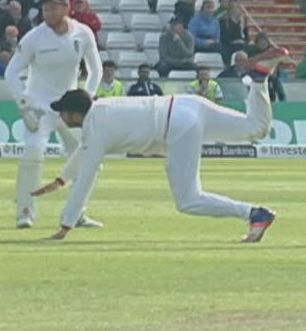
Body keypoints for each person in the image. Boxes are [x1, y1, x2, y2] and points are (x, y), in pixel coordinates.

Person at [30, 77, 277, 242]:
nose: (60, 117)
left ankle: (254, 214)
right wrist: (60, 180)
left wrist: (65, 226)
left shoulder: (95, 129)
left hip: (177, 126)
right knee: (255, 128)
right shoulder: (101, 109)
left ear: (75, 113)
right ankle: (258, 81)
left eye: (63, 112)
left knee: (188, 201)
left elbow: (85, 178)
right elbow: (83, 153)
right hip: (188, 105)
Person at [3, 0, 104, 229]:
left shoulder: (83, 32)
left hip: (71, 109)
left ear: (66, 8)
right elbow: (11, 72)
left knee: (89, 160)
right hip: (39, 107)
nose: (48, 13)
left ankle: (76, 212)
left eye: (53, 8)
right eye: (45, 9)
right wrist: (24, 104)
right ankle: (25, 213)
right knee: (32, 155)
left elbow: (95, 69)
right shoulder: (33, 38)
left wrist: (86, 97)